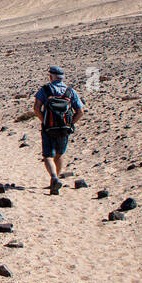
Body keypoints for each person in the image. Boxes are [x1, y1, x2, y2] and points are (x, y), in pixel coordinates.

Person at [34, 65, 83, 194]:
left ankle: (54, 178)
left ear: (51, 76)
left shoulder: (45, 90)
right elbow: (80, 111)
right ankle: (56, 180)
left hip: (48, 127)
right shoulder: (70, 91)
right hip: (64, 128)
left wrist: (44, 121)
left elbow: (36, 108)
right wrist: (71, 124)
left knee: (48, 155)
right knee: (60, 154)